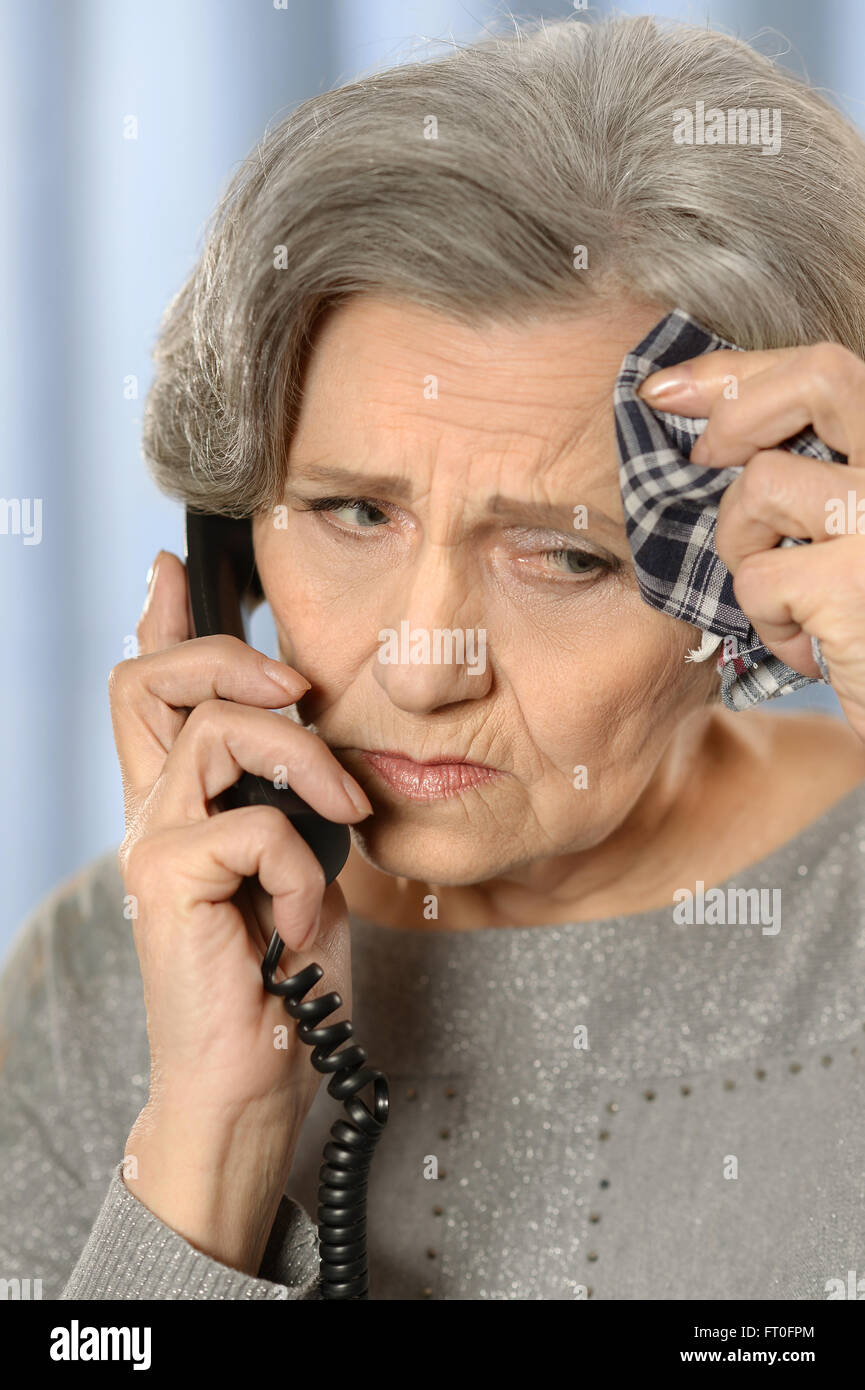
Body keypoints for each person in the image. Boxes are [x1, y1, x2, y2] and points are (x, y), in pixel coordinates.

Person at [4, 13, 865, 1301]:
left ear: (754, 577)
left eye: (568, 559)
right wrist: (212, 1147)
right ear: (232, 542)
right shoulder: (117, 963)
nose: (420, 667)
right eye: (354, 513)